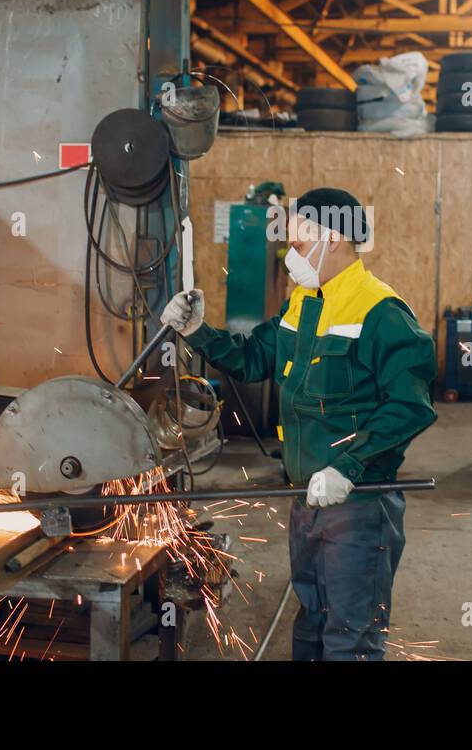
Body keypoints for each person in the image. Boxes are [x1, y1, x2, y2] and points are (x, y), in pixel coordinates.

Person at [161, 187, 437, 660]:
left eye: (301, 242)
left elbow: (409, 406)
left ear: (335, 238)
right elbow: (252, 360)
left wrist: (349, 467)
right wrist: (197, 332)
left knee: (350, 636)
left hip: (358, 505)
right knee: (311, 624)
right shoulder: (302, 303)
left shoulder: (381, 312)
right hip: (305, 500)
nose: (292, 254)